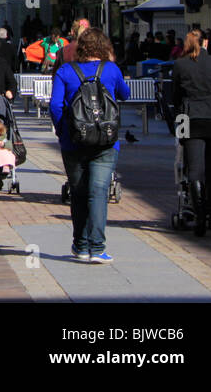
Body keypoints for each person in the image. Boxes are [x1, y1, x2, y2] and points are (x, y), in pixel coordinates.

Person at [49, 27, 130, 263]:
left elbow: (55, 106)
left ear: (80, 48)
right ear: (104, 47)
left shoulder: (65, 70)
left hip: (74, 141)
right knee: (98, 192)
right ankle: (97, 248)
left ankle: (80, 245)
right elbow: (124, 94)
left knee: (79, 192)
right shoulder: (111, 69)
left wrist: (63, 130)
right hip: (106, 141)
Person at [172, 29, 211, 235]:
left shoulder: (180, 65)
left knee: (195, 170)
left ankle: (199, 217)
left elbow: (175, 96)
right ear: (205, 42)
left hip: (191, 120)